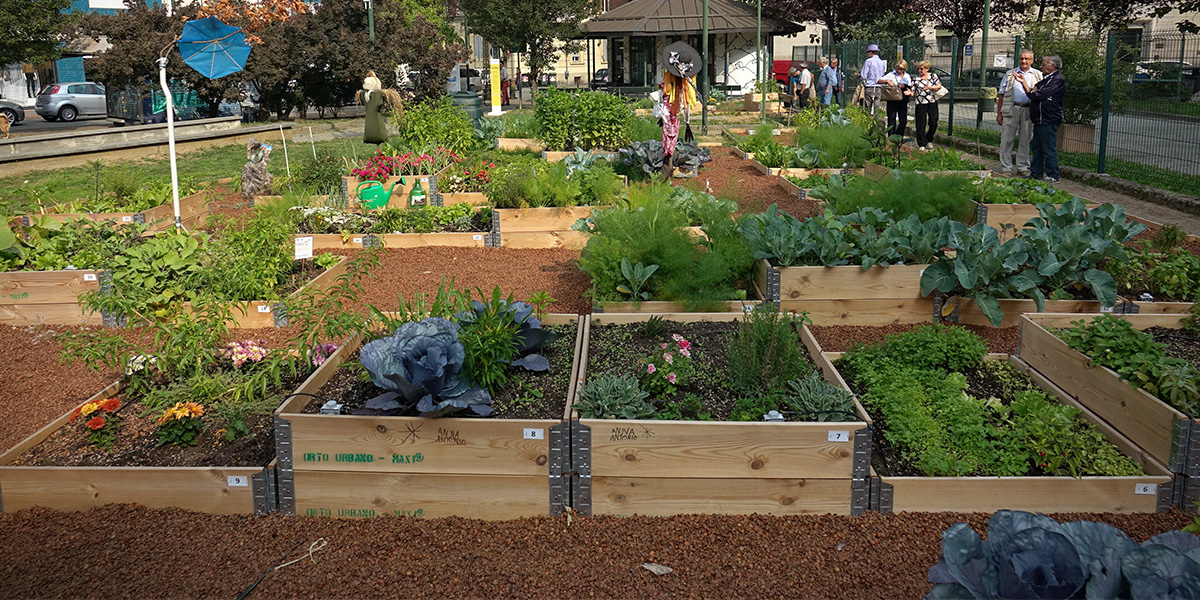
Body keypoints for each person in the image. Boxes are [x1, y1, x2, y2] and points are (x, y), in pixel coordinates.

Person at [1016, 55, 1066, 183]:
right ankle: (1036, 173)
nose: (1041, 67)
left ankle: (1053, 175)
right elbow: (1034, 90)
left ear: (1052, 66)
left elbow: (1037, 95)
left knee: (1048, 148)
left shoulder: (1057, 80)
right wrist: (1029, 87)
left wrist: (1033, 91)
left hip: (1048, 119)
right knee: (1037, 147)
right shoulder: (1046, 79)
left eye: (1044, 64)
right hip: (1039, 118)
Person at [996, 50, 1043, 177]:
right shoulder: (1010, 74)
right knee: (1007, 139)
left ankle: (1023, 166)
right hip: (1012, 108)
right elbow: (1001, 94)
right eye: (1022, 58)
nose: (1024, 61)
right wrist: (999, 113)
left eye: (1027, 59)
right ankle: (1006, 167)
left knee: (1025, 139)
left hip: (1028, 110)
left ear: (1032, 61)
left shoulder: (1038, 75)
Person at [911, 60, 943, 151]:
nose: (919, 71)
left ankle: (929, 139)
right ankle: (921, 143)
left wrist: (930, 87)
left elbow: (939, 86)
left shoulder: (933, 76)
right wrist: (909, 93)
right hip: (921, 103)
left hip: (932, 101)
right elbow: (913, 91)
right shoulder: (915, 79)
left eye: (921, 69)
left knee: (933, 121)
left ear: (927, 69)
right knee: (921, 123)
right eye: (918, 69)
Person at [879, 59, 913, 139]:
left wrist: (904, 86)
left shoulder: (907, 76)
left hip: (903, 99)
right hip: (892, 98)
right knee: (891, 119)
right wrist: (887, 81)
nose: (899, 71)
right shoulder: (891, 74)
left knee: (903, 120)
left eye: (902, 69)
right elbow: (879, 80)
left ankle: (899, 135)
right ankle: (891, 136)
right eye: (898, 69)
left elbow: (910, 86)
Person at [859, 44, 887, 114]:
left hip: (869, 86)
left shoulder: (868, 61)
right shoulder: (881, 62)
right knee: (876, 107)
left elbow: (864, 75)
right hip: (878, 87)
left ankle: (867, 120)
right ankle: (876, 120)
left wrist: (861, 78)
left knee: (867, 107)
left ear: (871, 53)